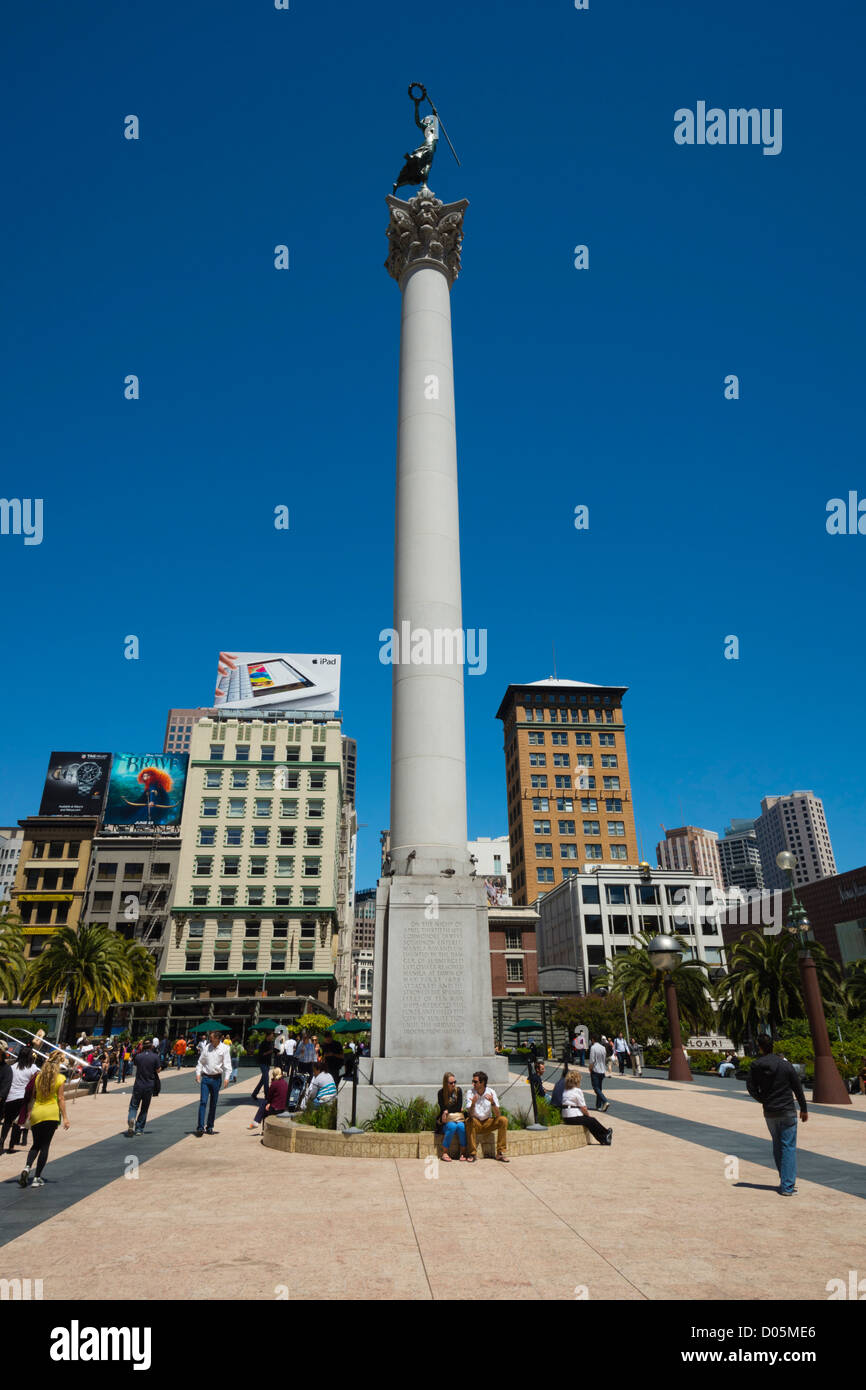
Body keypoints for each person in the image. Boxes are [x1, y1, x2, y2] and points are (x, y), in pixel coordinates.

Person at [747, 1036, 808, 1196]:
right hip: (787, 1109)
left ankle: (785, 1179)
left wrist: (764, 1100)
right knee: (788, 1146)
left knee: (777, 1144)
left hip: (769, 1111)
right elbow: (797, 1087)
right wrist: (803, 1108)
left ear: (760, 1047)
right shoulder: (785, 1065)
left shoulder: (755, 1066)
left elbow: (751, 1088)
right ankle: (787, 1186)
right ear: (772, 1046)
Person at [18, 1052, 70, 1187]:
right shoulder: (60, 1078)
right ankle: (37, 1177)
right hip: (51, 1114)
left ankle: (27, 1167)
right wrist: (65, 1118)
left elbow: (34, 1096)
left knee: (36, 1144)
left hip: (37, 1112)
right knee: (45, 1146)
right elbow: (61, 1098)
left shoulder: (38, 1078)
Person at [2, 1045, 39, 1154]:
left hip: (10, 1097)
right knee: (18, 1122)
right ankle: (11, 1146)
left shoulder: (13, 1067)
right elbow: (35, 1081)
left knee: (7, 1122)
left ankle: (1, 1142)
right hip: (23, 1098)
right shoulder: (32, 1068)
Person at [465, 1071, 508, 1162]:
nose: (473, 1084)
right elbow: (470, 1114)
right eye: (473, 1081)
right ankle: (472, 1154)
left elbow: (498, 1115)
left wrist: (492, 1102)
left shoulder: (491, 1092)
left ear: (482, 1082)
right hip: (476, 1122)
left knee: (503, 1120)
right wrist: (473, 1104)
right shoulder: (470, 1092)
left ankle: (500, 1153)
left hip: (488, 1122)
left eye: (475, 1082)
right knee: (469, 1120)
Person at [195, 1030, 232, 1136]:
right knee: (203, 1102)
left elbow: (227, 1065)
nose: (210, 1039)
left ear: (217, 1039)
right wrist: (198, 1073)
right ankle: (200, 1127)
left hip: (216, 1079)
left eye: (211, 1038)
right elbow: (200, 1062)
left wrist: (227, 1078)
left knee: (213, 1104)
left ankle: (210, 1126)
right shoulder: (207, 1047)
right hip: (206, 1078)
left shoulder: (225, 1048)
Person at [560, 1070, 613, 1145]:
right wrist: (588, 1115)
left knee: (589, 1122)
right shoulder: (577, 1091)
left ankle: (603, 1139)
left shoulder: (565, 1091)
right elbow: (583, 1108)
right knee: (592, 1120)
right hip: (573, 1116)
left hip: (565, 1117)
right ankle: (606, 1133)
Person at [126, 1040, 161, 1136]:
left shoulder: (138, 1056)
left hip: (138, 1084)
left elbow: (135, 1064)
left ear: (143, 1047)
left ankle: (131, 1118)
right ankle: (139, 1129)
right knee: (144, 1108)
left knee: (133, 1106)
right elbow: (158, 1070)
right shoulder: (155, 1056)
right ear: (151, 1047)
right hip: (149, 1085)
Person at [436, 1071, 468, 1161]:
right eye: (451, 1083)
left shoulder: (458, 1091)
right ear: (446, 1083)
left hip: (457, 1118)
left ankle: (463, 1153)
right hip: (446, 1120)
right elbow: (443, 1108)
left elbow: (458, 1107)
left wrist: (448, 1110)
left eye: (455, 1082)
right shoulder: (441, 1093)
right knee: (452, 1126)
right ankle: (444, 1152)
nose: (453, 1084)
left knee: (461, 1127)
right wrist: (447, 1111)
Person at [588, 1036, 610, 1112]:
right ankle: (598, 1105)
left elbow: (592, 1060)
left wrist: (590, 1068)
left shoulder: (593, 1048)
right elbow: (604, 1059)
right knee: (599, 1088)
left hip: (596, 1070)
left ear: (593, 1040)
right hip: (602, 1070)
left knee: (596, 1088)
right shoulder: (603, 1048)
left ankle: (605, 1101)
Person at [251, 1032, 275, 1100]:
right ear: (268, 1036)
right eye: (271, 1036)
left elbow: (271, 1051)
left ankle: (254, 1093)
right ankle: (267, 1096)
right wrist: (269, 1052)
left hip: (267, 1063)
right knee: (266, 1079)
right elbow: (261, 1054)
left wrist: (274, 1051)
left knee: (263, 1080)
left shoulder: (271, 1043)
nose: (272, 1037)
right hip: (262, 1063)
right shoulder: (263, 1043)